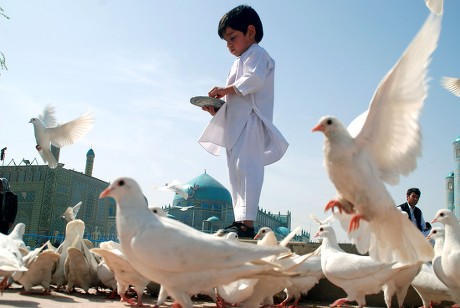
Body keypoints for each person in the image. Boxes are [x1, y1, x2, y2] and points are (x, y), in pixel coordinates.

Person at [198, 5, 288, 238]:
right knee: (236, 173)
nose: (229, 45)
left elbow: (254, 80)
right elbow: (235, 97)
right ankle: (240, 222)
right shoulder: (237, 61)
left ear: (250, 31)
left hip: (251, 121)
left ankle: (247, 223)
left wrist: (225, 89)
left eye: (232, 38)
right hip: (236, 125)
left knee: (248, 170)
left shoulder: (258, 53)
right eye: (226, 41)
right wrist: (217, 111)